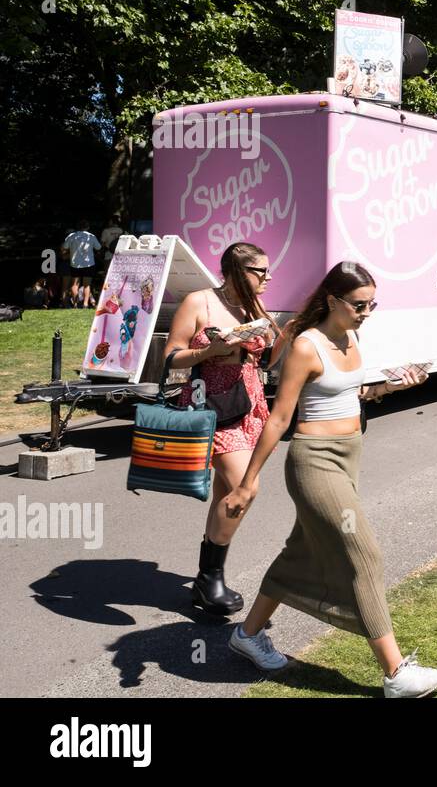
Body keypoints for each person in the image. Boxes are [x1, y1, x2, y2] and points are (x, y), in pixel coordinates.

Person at [220, 262, 437, 697]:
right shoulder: (307, 346)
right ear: (332, 300)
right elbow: (280, 418)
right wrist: (247, 482)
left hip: (348, 458)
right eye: (359, 305)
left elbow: (355, 395)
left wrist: (393, 387)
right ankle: (396, 673)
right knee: (363, 554)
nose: (367, 312)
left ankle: (247, 636)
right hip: (314, 464)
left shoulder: (352, 336)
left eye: (372, 304)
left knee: (300, 552)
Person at [162, 242, 285, 615]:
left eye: (267, 270)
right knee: (244, 488)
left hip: (249, 407)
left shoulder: (254, 307)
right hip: (210, 408)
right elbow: (172, 359)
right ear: (235, 271)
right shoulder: (198, 302)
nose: (267, 277)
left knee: (225, 494)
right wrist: (209, 352)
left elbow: (266, 361)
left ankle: (208, 577)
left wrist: (286, 335)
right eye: (259, 271)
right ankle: (208, 578)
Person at [62, 220, 102, 308]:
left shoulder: (71, 236)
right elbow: (99, 247)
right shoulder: (91, 236)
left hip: (75, 263)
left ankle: (75, 304)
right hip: (88, 263)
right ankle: (85, 304)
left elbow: (64, 247)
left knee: (75, 284)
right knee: (86, 285)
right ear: (87, 227)